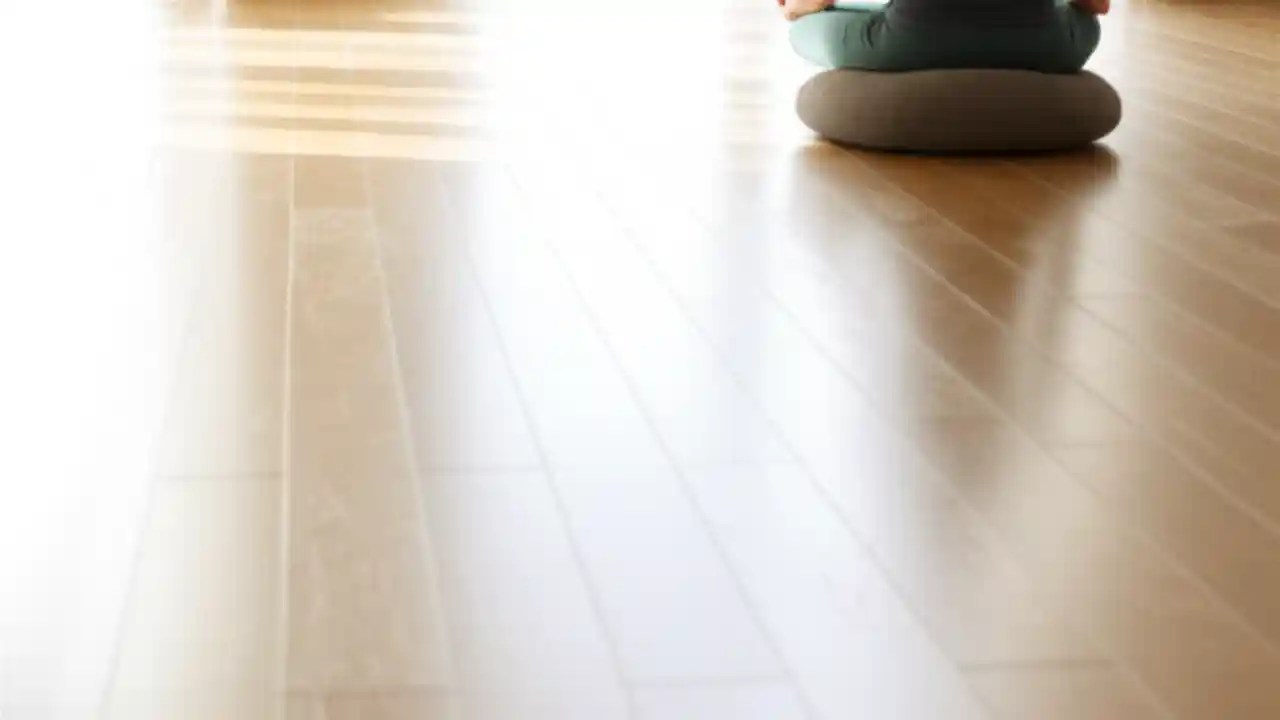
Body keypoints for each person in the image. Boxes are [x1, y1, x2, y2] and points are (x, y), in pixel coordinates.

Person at [781, 0, 1110, 73]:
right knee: (1086, 24)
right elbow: (1096, 4)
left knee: (803, 27)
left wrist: (803, 7)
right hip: (1041, 42)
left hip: (910, 40)